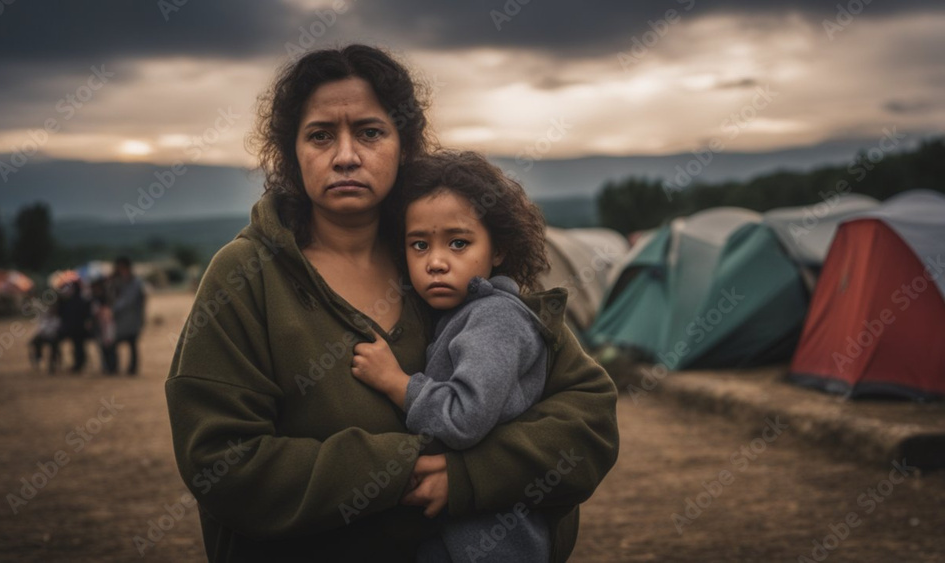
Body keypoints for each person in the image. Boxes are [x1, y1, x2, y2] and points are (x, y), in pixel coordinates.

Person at [165, 44, 619, 562]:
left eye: (370, 132)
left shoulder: (445, 263)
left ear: (405, 146)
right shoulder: (244, 277)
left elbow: (589, 422)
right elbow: (220, 463)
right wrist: (403, 469)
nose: (345, 156)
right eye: (320, 136)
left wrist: (468, 476)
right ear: (292, 154)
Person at [351, 151, 554, 562]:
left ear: (498, 249)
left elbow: (466, 418)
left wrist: (397, 382)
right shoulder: (458, 314)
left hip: (490, 544)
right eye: (419, 245)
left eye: (459, 243)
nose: (437, 262)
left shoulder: (495, 318)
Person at [109, 256, 145, 375]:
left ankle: (132, 369)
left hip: (132, 318)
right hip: (119, 320)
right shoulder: (115, 282)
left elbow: (131, 299)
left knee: (132, 344)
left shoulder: (135, 282)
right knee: (115, 343)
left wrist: (114, 308)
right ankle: (113, 367)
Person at [56, 280, 91, 374]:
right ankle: (77, 364)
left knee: (78, 347)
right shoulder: (71, 300)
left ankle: (79, 364)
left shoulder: (77, 300)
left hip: (77, 328)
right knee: (77, 347)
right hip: (74, 328)